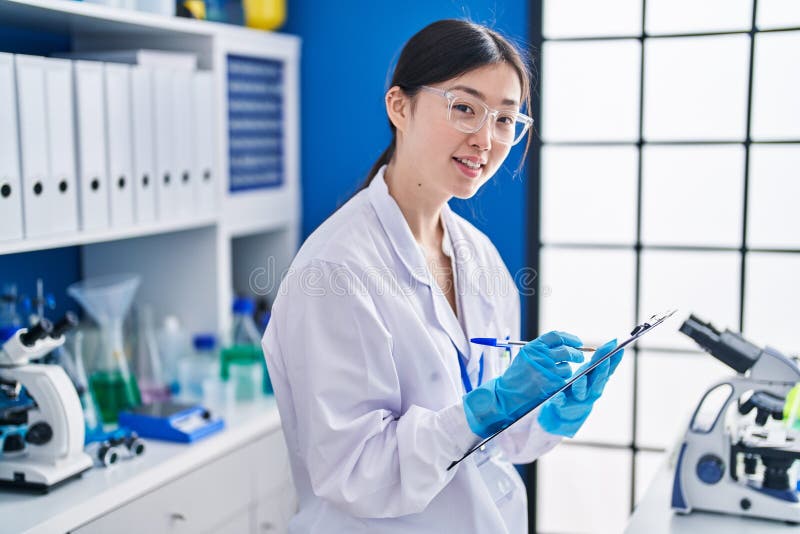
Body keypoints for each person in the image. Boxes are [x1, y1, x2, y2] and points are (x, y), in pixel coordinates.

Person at [262, 19, 623, 533]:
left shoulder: (480, 258)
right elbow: (357, 473)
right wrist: (483, 408)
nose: (485, 138)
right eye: (464, 108)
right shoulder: (337, 270)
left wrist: (545, 410)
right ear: (399, 107)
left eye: (505, 119)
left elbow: (493, 441)